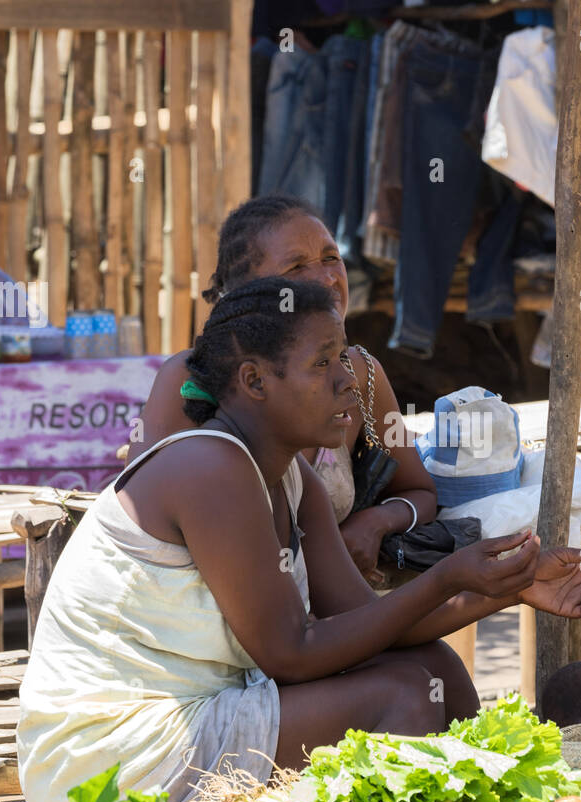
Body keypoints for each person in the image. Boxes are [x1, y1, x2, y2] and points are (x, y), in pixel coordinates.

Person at [18, 278, 581, 802]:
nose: (347, 382)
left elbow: (368, 623)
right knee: (403, 697)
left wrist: (511, 585)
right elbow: (293, 653)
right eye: (323, 363)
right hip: (104, 762)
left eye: (343, 359)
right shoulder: (211, 468)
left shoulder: (288, 476)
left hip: (196, 720)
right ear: (254, 382)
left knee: (434, 669)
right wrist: (447, 579)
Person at [130, 195, 432, 580]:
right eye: (296, 266)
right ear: (249, 291)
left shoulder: (357, 376)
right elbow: (151, 535)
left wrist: (375, 522)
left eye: (330, 257)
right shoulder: (191, 381)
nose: (326, 278)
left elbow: (421, 493)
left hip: (319, 610)